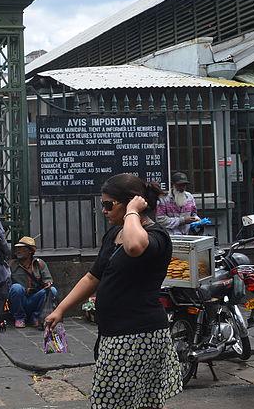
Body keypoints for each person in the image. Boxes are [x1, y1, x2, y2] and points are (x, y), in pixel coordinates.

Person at [46, 175, 179, 409]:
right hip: (114, 334)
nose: (104, 211)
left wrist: (131, 212)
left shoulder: (156, 236)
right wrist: (61, 310)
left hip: (138, 335)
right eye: (102, 205)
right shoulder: (113, 235)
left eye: (109, 205)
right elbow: (92, 277)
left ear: (129, 204)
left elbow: (135, 246)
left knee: (108, 403)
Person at [8, 236, 57, 329]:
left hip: (34, 299)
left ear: (30, 251)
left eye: (22, 249)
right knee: (16, 288)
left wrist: (47, 284)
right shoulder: (12, 265)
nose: (18, 251)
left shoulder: (39, 263)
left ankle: (36, 316)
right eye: (17, 248)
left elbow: (48, 280)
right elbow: (6, 285)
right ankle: (19, 318)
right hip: (19, 300)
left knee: (53, 290)